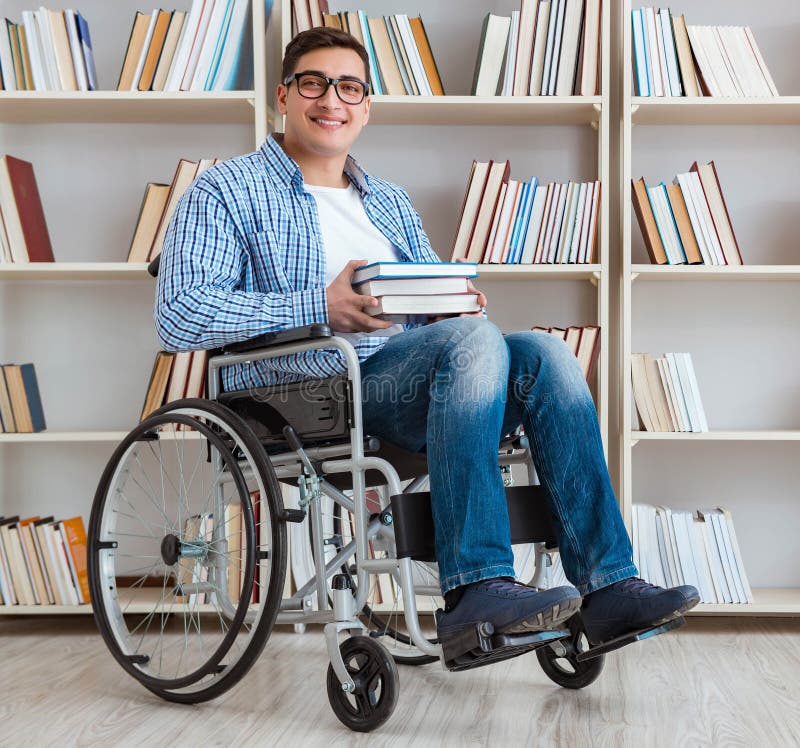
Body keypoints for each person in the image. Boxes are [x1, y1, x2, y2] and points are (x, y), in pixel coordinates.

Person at [155, 27, 699, 649]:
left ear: (366, 106)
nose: (331, 99)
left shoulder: (387, 201)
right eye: (314, 83)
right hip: (306, 391)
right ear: (284, 96)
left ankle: (608, 588)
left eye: (349, 87)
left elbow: (438, 311)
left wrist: (453, 304)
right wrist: (321, 307)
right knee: (474, 344)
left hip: (412, 381)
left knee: (545, 353)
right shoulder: (226, 190)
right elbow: (179, 315)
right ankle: (476, 587)